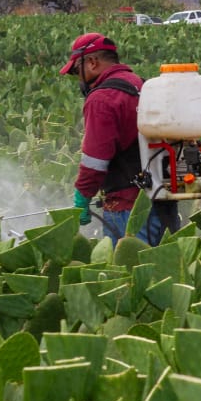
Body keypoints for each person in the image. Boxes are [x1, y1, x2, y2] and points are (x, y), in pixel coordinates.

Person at [60, 32, 179, 245]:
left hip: (128, 207)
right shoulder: (142, 85)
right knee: (163, 270)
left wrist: (82, 198)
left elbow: (94, 161)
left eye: (78, 71)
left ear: (92, 62)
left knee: (129, 274)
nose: (79, 79)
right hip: (163, 200)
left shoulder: (102, 99)